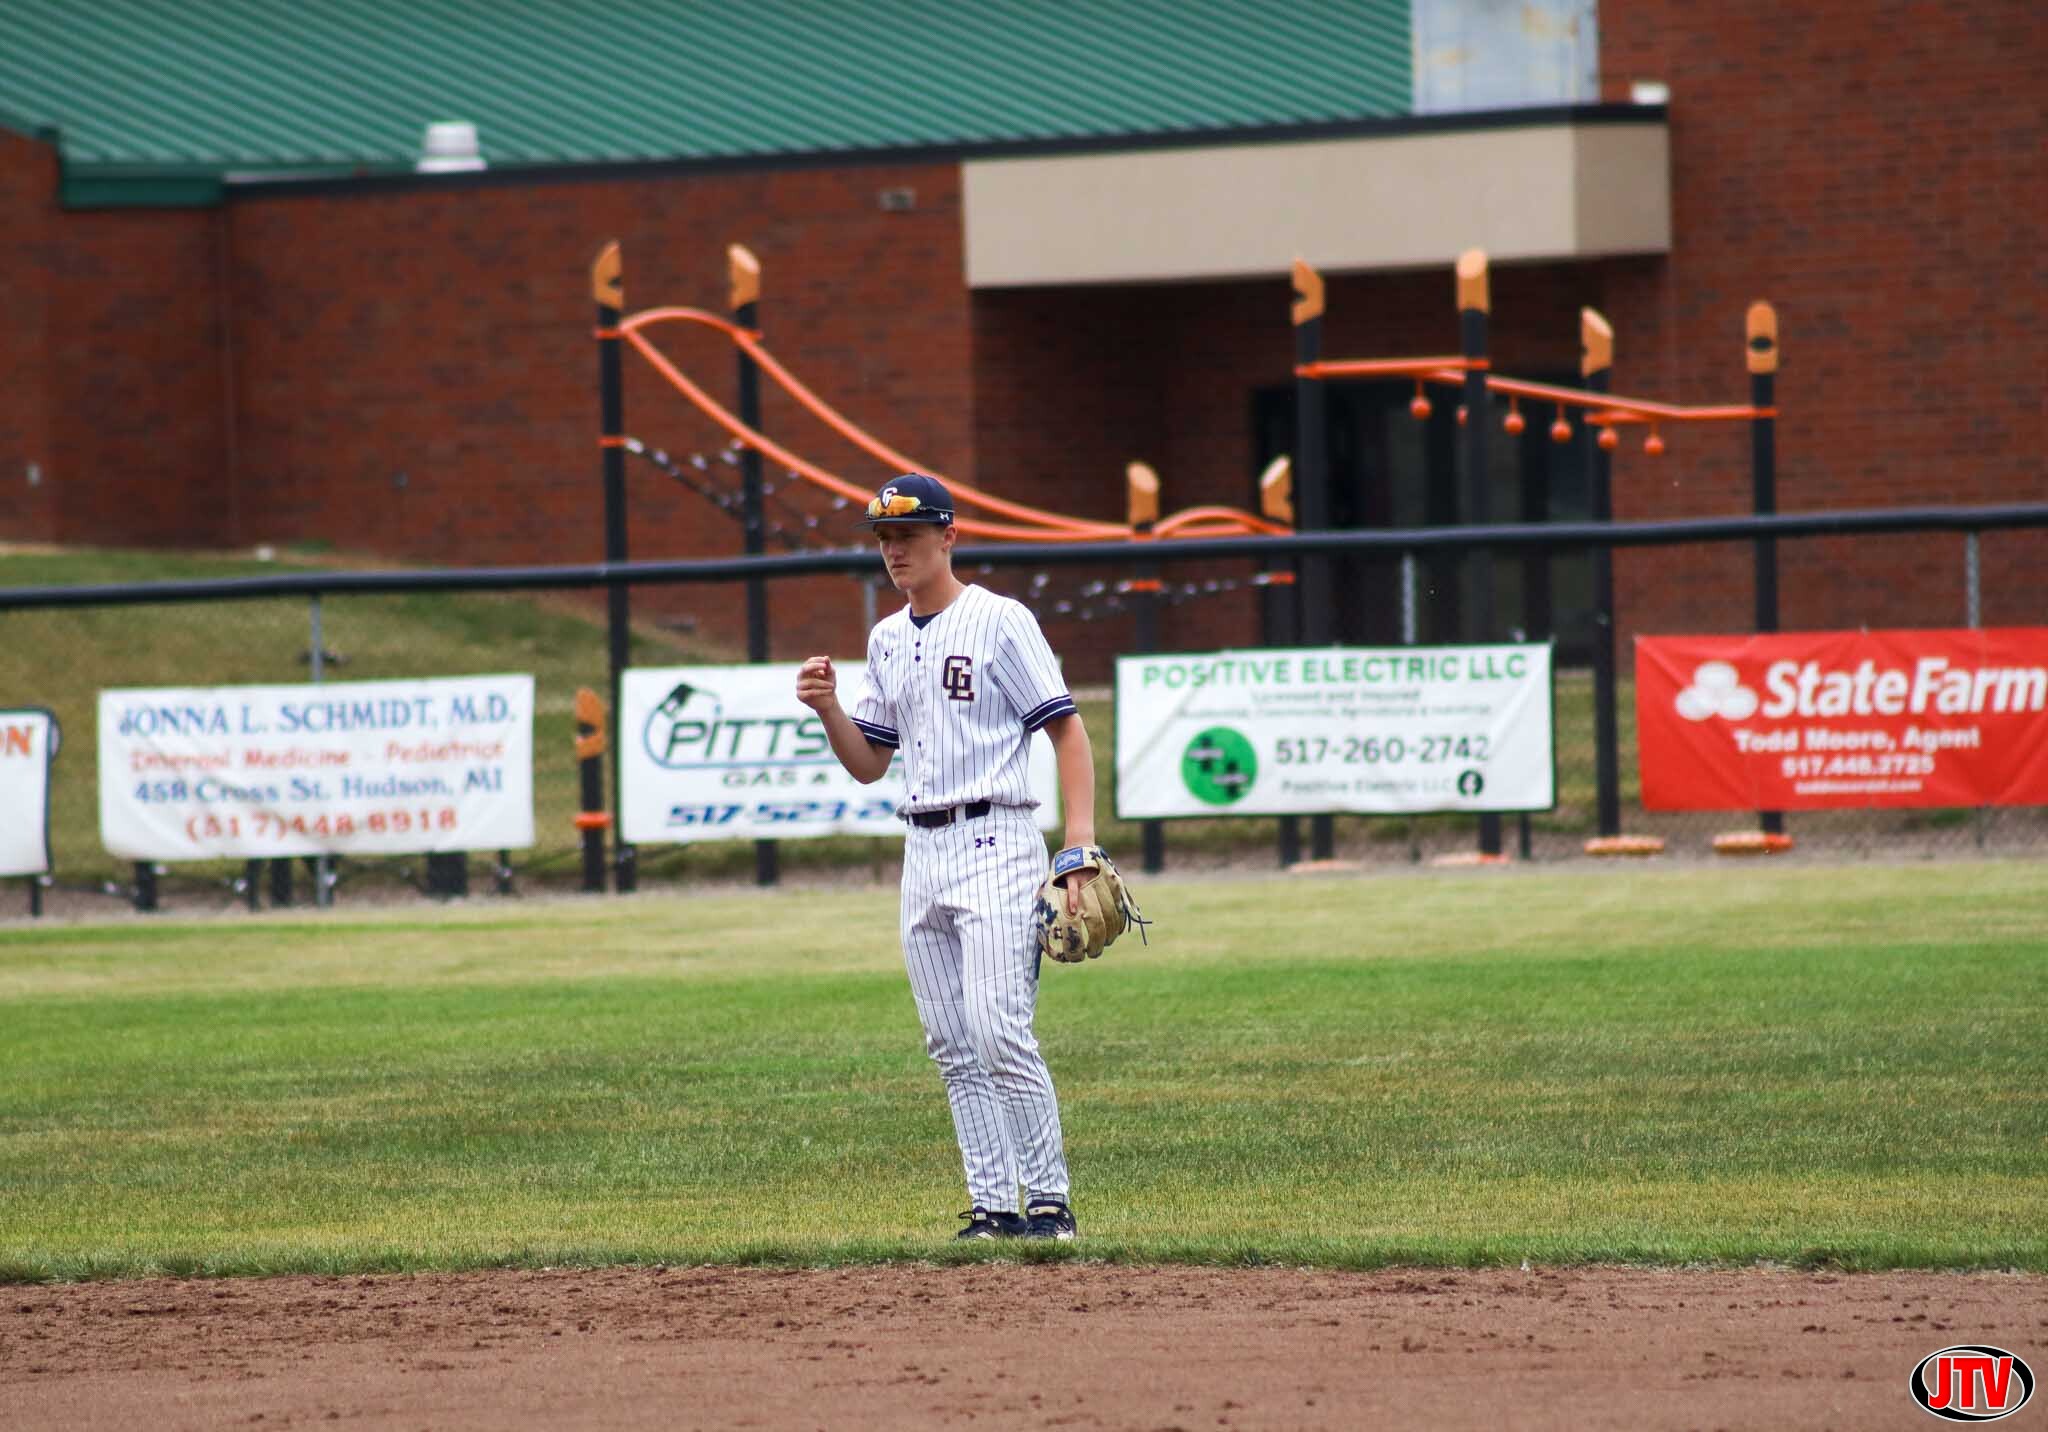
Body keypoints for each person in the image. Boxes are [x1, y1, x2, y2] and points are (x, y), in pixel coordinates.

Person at [796, 473, 1095, 1241]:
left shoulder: (1000, 621)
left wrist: (1078, 846)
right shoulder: (887, 639)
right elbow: (870, 764)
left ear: (948, 536)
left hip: (996, 838)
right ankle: (992, 1207)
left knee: (998, 1030)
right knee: (953, 1045)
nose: (894, 550)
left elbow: (1066, 730)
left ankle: (1050, 1203)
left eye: (908, 534)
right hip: (922, 849)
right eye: (884, 538)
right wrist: (828, 709)